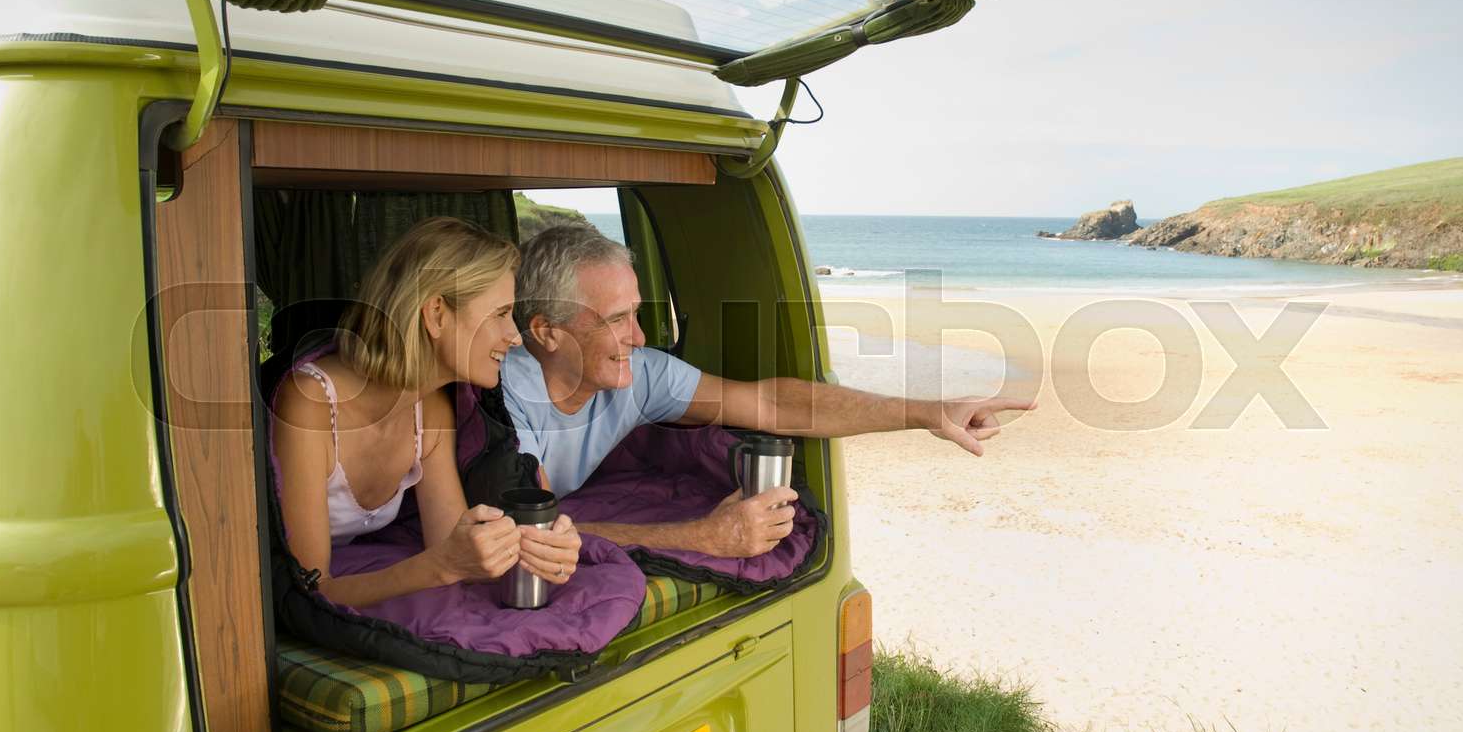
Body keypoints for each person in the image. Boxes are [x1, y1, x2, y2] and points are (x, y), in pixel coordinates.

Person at [502, 223, 1035, 559]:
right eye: (616, 320)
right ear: (548, 332)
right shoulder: (502, 399)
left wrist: (929, 413)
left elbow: (775, 403)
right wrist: (702, 536)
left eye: (637, 315)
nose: (638, 338)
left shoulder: (639, 374)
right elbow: (533, 535)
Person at [271, 217, 581, 607]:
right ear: (436, 313)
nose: (515, 336)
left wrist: (542, 546)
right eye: (500, 314)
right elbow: (310, 591)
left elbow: (454, 545)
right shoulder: (309, 403)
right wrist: (442, 566)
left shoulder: (430, 409)